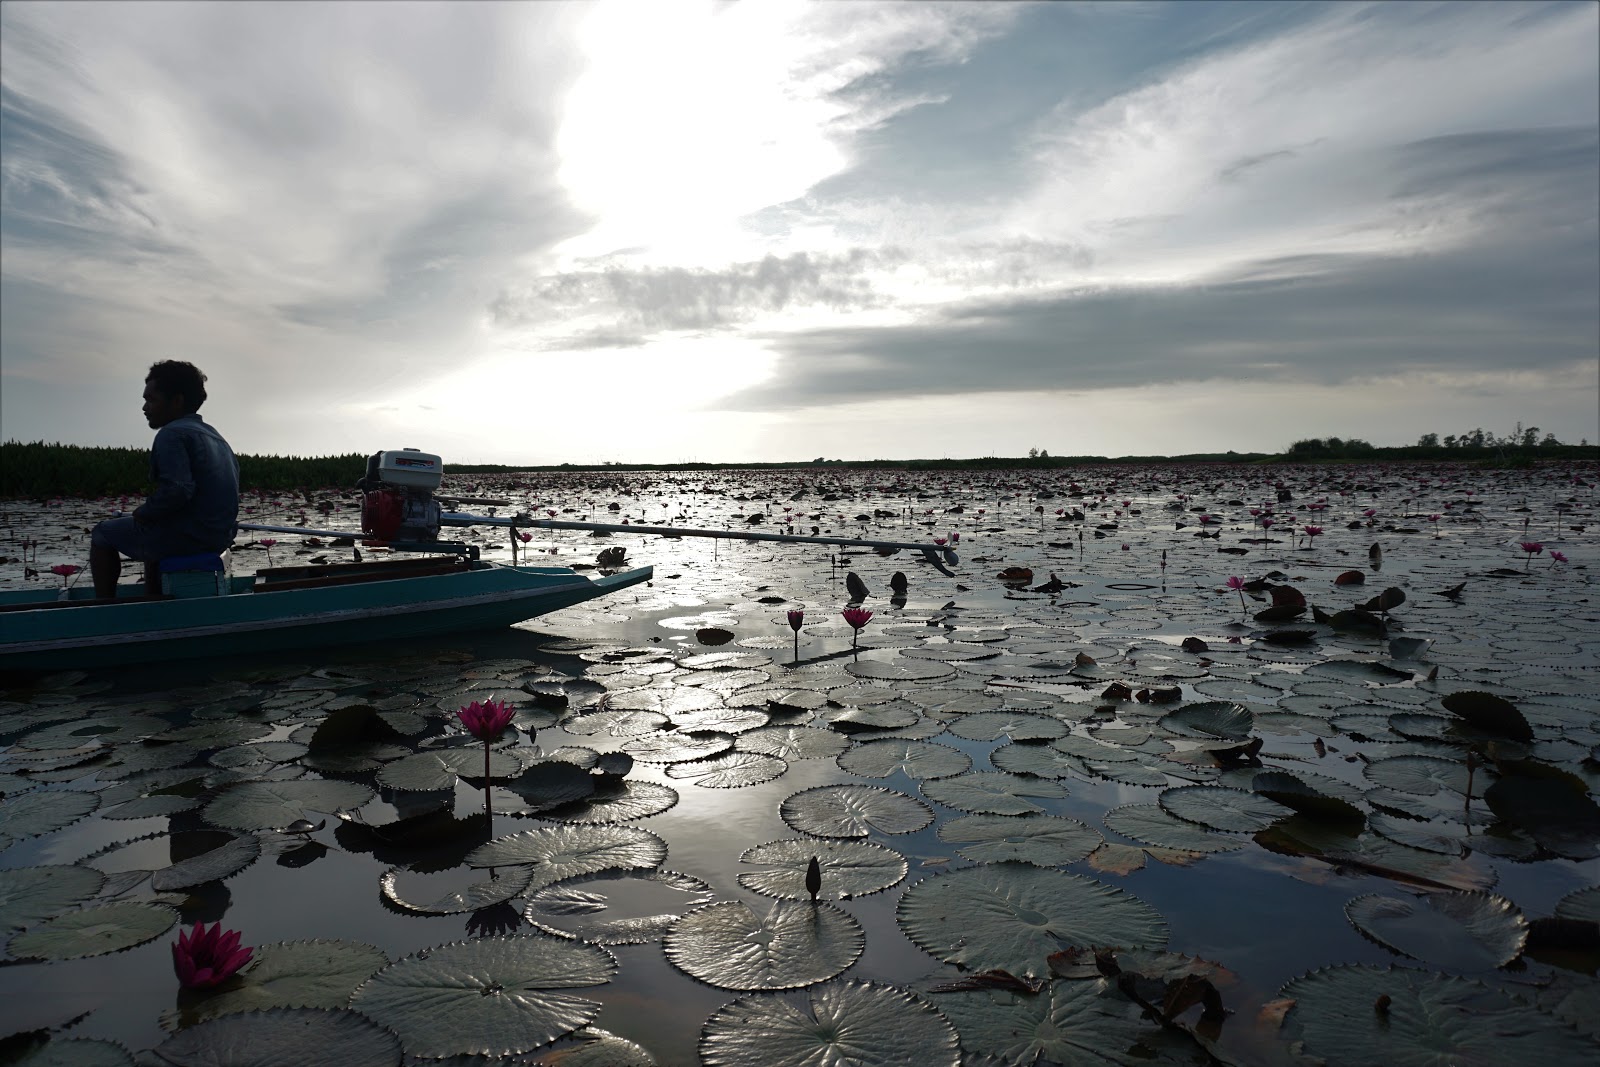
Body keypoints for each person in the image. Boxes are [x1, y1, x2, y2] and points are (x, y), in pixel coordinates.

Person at [90, 361, 240, 598]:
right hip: (220, 537)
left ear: (177, 401)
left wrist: (143, 511)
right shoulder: (216, 437)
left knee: (102, 534)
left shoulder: (172, 433)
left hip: (189, 538)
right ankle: (154, 598)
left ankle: (103, 608)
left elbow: (178, 490)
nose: (144, 407)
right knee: (156, 524)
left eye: (151, 400)